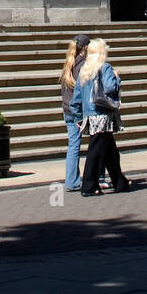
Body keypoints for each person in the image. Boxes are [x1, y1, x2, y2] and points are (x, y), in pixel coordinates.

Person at [70, 37, 132, 195]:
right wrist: (117, 78)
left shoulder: (85, 70)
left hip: (90, 115)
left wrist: (78, 117)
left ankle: (120, 182)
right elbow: (111, 88)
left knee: (111, 151)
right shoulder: (105, 67)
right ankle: (89, 186)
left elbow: (76, 97)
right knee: (95, 151)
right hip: (102, 114)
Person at [59, 33, 90, 191]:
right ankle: (96, 176)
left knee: (73, 145)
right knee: (96, 142)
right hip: (79, 110)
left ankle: (72, 180)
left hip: (68, 109)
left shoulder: (68, 64)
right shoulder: (83, 64)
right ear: (85, 48)